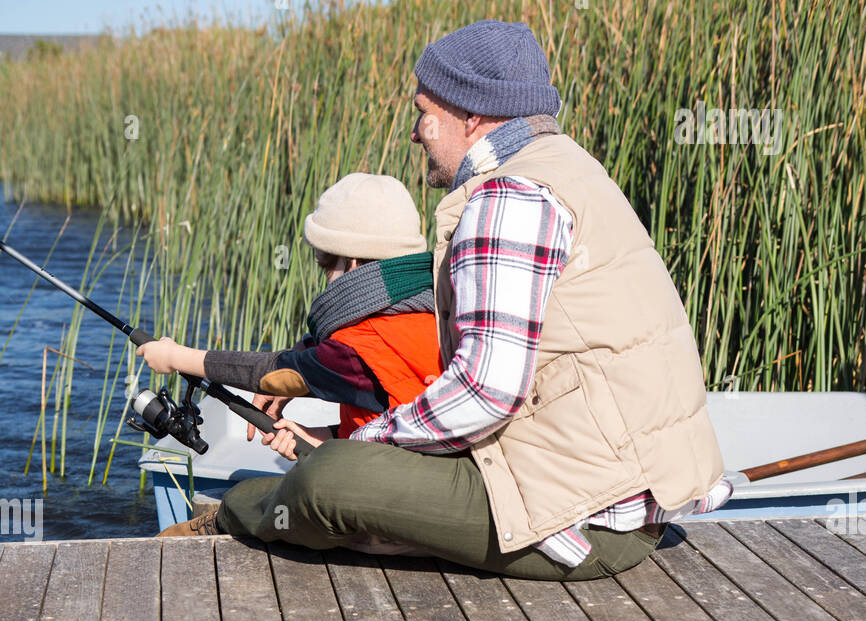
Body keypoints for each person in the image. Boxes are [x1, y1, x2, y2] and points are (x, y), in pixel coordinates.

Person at [153, 19, 731, 578]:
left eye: (423, 114)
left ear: (472, 116)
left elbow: (486, 391)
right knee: (344, 461)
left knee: (330, 480)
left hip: (586, 519)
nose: (413, 132)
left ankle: (235, 514)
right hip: (618, 489)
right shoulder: (572, 169)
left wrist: (363, 444)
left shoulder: (508, 199)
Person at [139, 174, 442, 546]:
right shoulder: (431, 314)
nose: (326, 280)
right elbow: (388, 410)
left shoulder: (362, 346)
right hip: (415, 478)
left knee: (251, 497)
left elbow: (274, 373)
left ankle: (179, 539)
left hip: (401, 505)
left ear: (353, 261)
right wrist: (321, 438)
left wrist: (176, 357)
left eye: (324, 265)